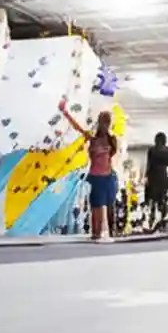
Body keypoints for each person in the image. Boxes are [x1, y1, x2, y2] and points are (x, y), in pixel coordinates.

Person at [61, 101, 118, 243]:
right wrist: (65, 113)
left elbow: (112, 155)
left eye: (107, 122)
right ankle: (96, 233)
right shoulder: (92, 138)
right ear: (99, 123)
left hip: (108, 177)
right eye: (103, 122)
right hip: (96, 177)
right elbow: (77, 127)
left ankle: (112, 232)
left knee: (109, 206)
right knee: (97, 208)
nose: (105, 125)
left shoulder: (111, 140)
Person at [144, 132, 168, 230]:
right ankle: (163, 220)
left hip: (153, 176)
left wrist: (146, 176)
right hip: (163, 176)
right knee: (162, 199)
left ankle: (151, 220)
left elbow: (149, 163)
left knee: (152, 200)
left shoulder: (151, 150)